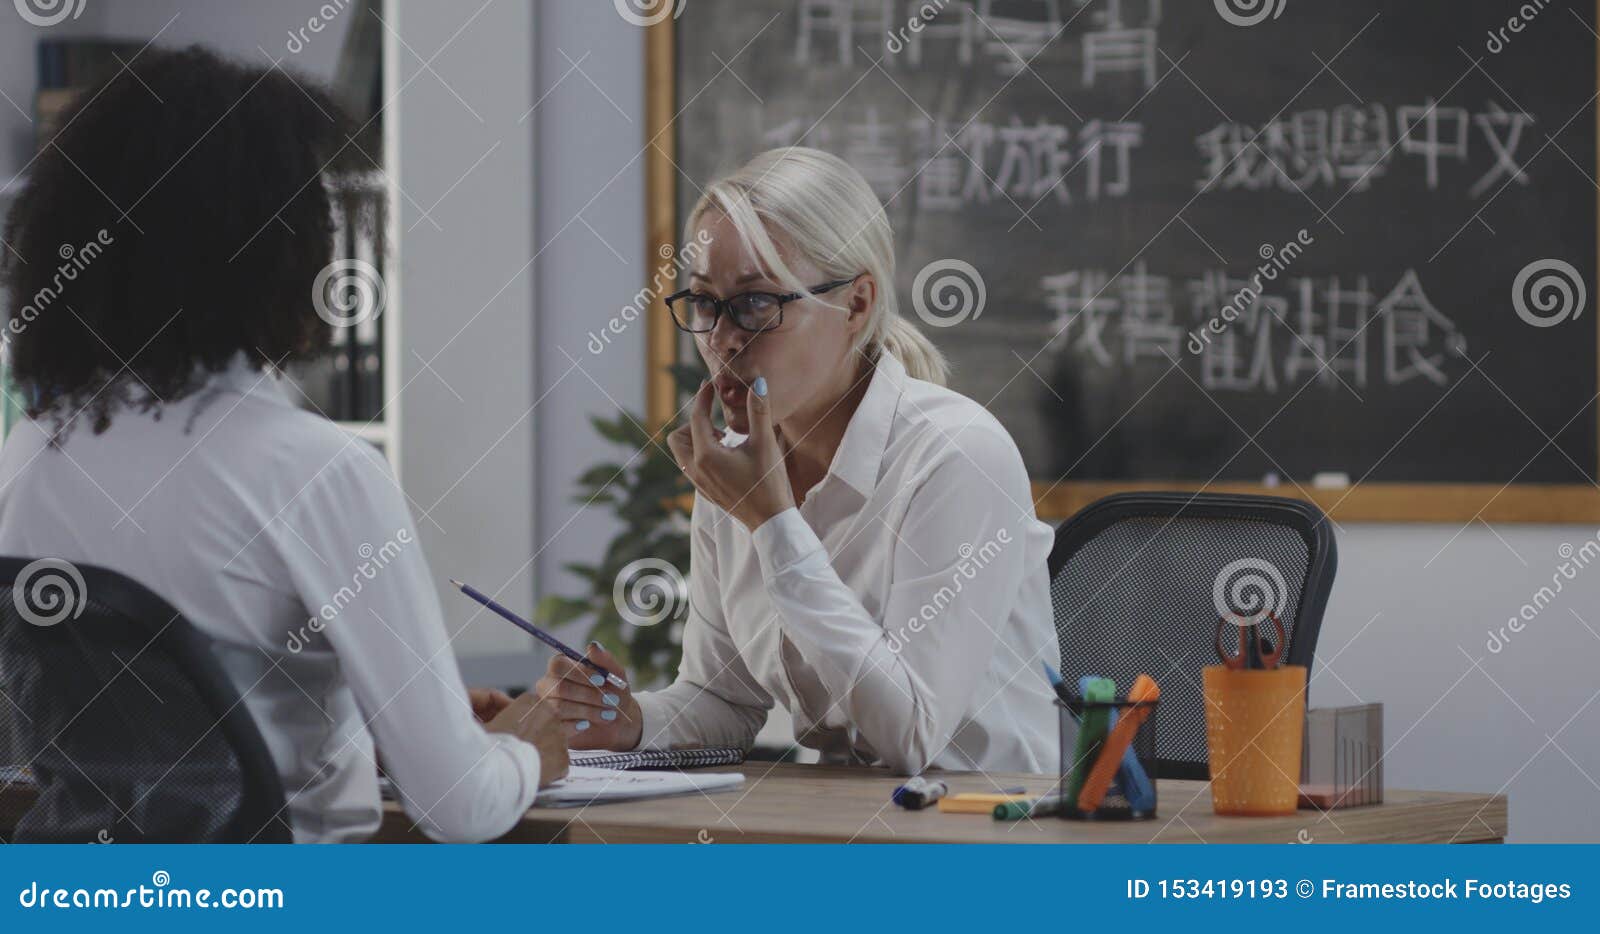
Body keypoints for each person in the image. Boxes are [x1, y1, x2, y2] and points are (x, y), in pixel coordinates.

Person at [0, 46, 564, 842]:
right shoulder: (318, 472)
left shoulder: (26, 457)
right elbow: (459, 808)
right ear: (280, 247)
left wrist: (360, 729)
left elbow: (167, 758)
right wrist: (530, 750)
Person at [536, 147, 1057, 774]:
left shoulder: (958, 456)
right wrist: (634, 722)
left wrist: (773, 523)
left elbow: (913, 736)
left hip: (989, 833)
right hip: (834, 826)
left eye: (757, 303)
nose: (723, 338)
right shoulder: (736, 469)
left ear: (857, 305)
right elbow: (724, 698)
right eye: (704, 302)